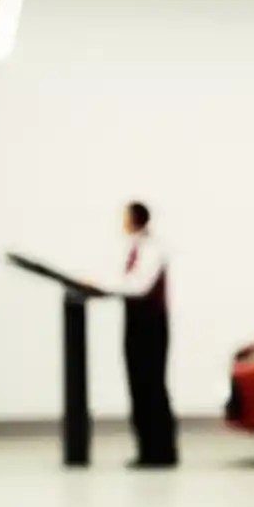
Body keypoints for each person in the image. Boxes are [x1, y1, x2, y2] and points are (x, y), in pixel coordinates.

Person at [114, 201, 178, 468]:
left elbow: (139, 286)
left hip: (149, 324)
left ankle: (160, 450)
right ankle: (146, 448)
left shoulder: (152, 249)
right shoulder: (137, 248)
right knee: (138, 385)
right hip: (137, 322)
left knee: (151, 384)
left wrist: (104, 286)